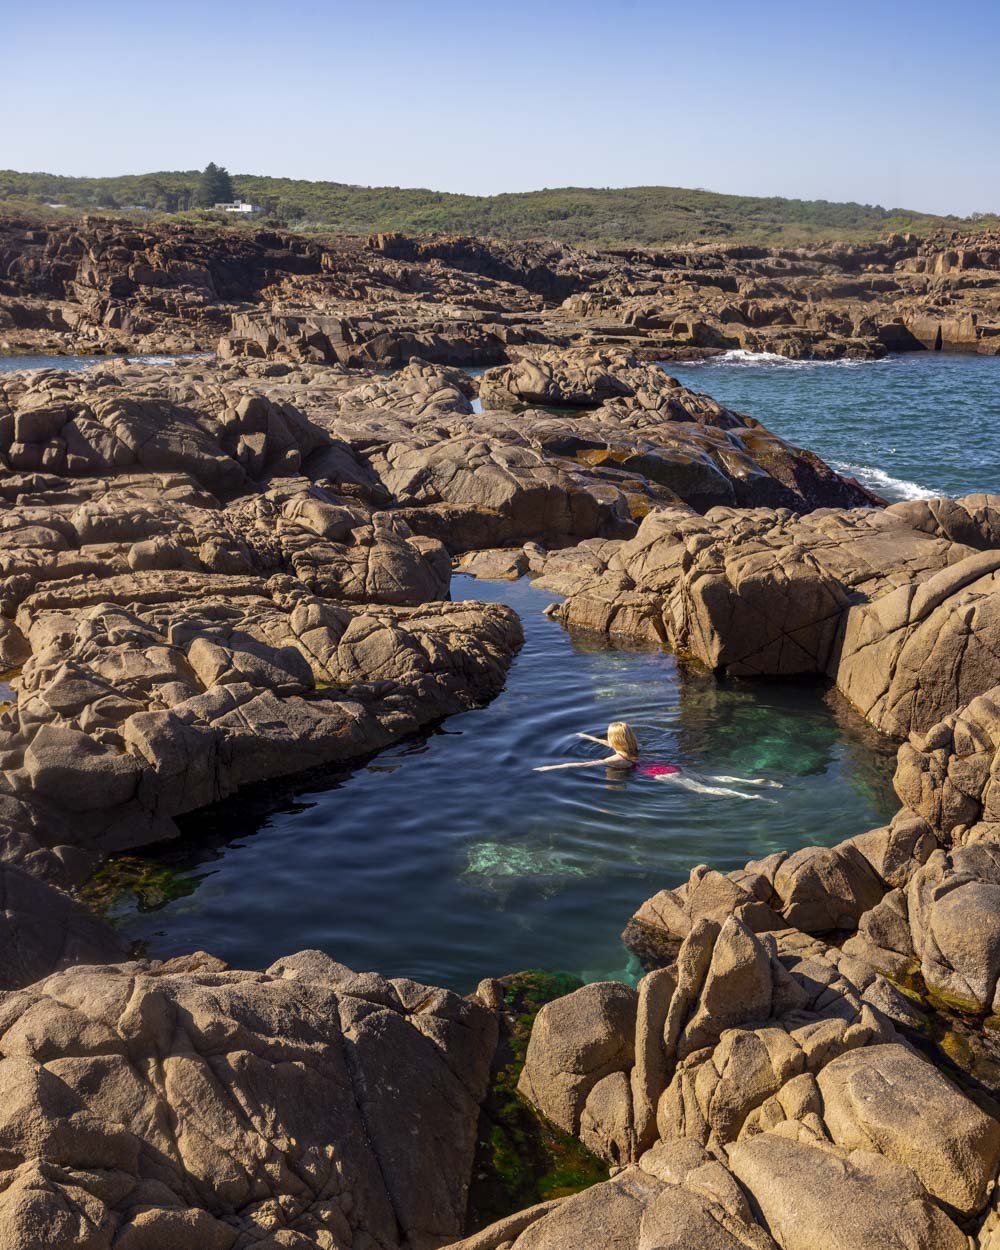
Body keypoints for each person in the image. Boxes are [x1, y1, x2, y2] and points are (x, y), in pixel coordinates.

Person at [534, 720, 781, 801]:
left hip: (661, 775)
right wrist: (587, 736)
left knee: (705, 790)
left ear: (614, 740)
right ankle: (754, 782)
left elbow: (583, 765)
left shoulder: (616, 757)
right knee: (710, 778)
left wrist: (551, 767)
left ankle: (749, 797)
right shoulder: (633, 748)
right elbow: (607, 743)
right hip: (671, 766)